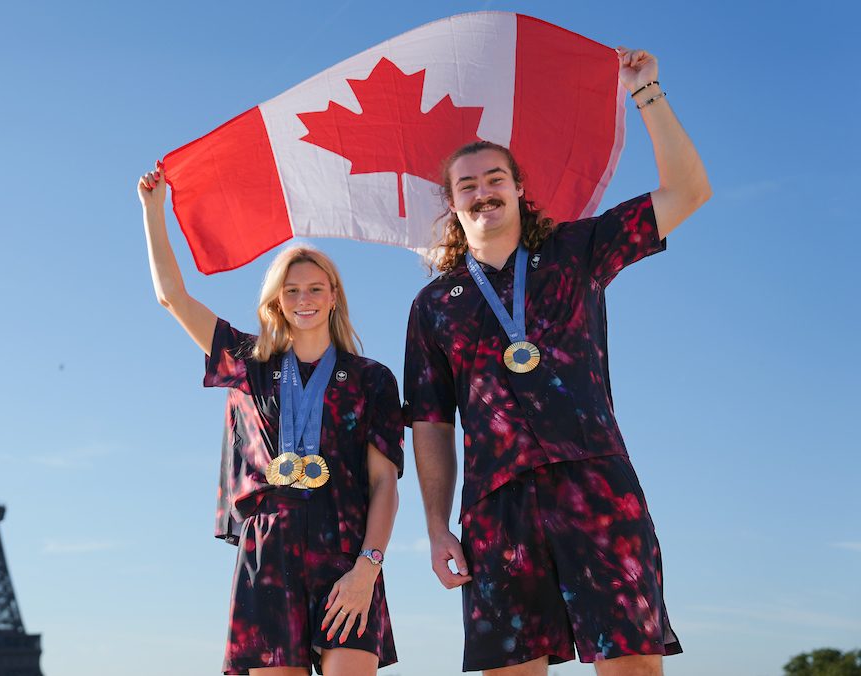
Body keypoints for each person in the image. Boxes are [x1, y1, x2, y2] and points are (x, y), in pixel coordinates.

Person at [403, 48, 711, 675]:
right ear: (452, 203)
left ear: (519, 187)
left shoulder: (578, 249)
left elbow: (688, 191)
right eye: (468, 185)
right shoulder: (433, 305)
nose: (483, 192)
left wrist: (646, 92)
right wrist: (437, 528)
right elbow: (431, 423)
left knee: (632, 664)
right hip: (496, 504)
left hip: (594, 481)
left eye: (495, 179)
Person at [138, 161, 404, 676]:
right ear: (277, 300)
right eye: (292, 289)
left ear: (334, 296)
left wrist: (368, 569)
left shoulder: (372, 378)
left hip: (346, 549)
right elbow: (171, 296)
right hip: (269, 549)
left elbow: (383, 484)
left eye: (316, 288)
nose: (304, 299)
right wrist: (154, 212)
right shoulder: (248, 363)